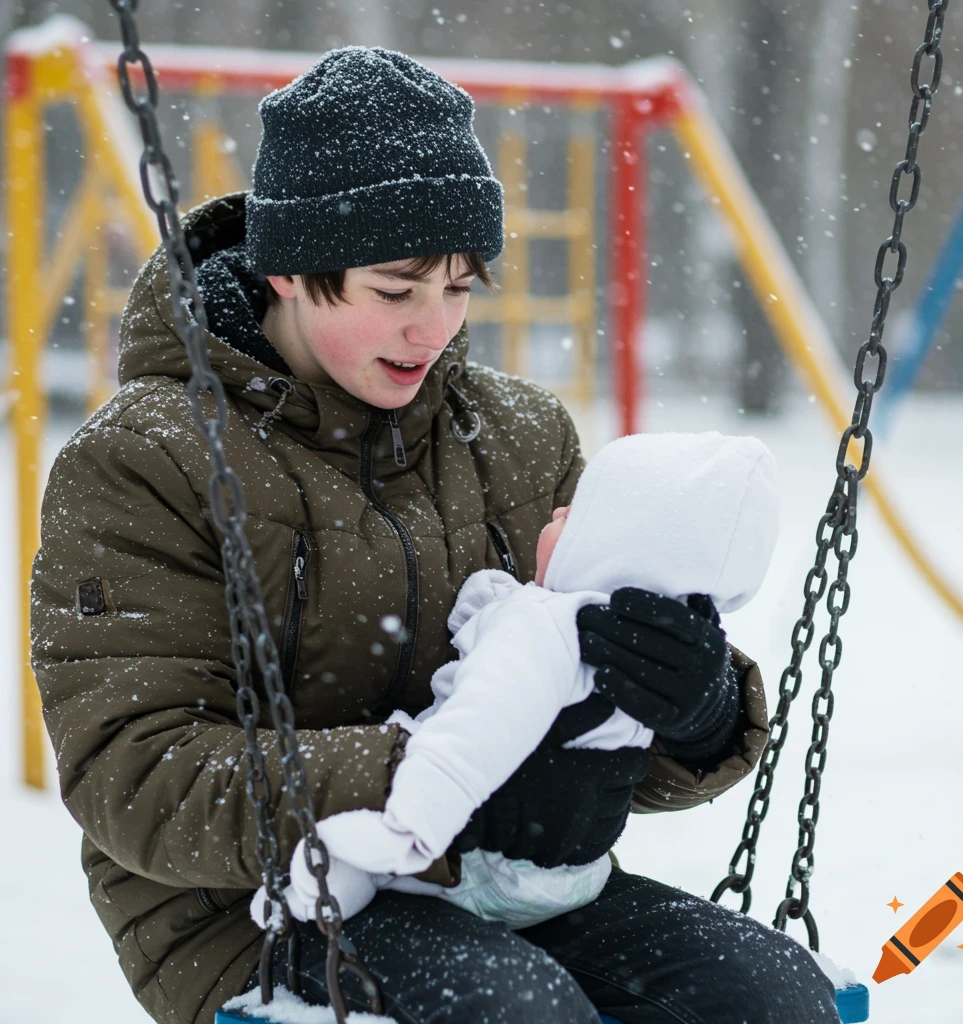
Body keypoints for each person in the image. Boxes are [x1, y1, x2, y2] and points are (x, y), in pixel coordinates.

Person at [30, 46, 840, 1024]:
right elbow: (135, 772)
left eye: (459, 286)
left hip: (497, 877)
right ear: (290, 268)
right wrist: (426, 776)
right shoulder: (147, 462)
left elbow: (569, 704)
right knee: (518, 1014)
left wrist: (692, 708)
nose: (433, 326)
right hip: (258, 902)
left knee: (771, 999)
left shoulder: (519, 436)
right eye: (396, 286)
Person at [270, 431, 780, 934]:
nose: (556, 513)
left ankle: (345, 878)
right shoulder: (609, 631)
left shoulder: (546, 623)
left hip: (477, 864)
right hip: (576, 878)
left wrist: (408, 828)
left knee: (376, 849)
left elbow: (475, 730)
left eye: (575, 516)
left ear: (607, 549)